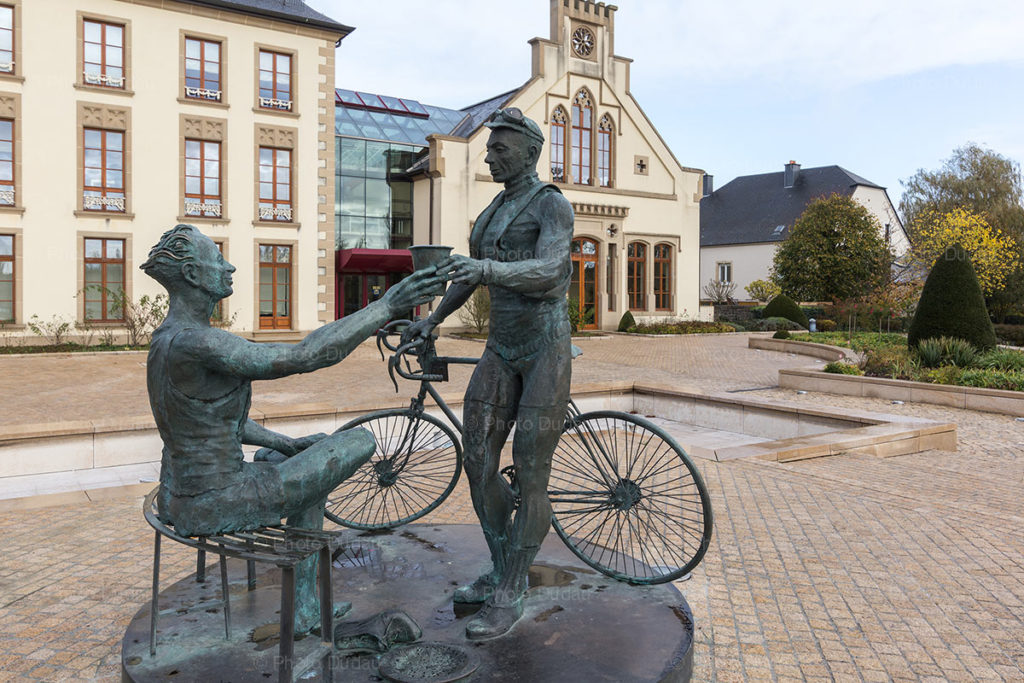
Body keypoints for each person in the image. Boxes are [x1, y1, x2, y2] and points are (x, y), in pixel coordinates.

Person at [141, 224, 443, 633]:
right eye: (218, 259)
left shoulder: (165, 338)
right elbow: (306, 355)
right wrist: (387, 306)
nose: (229, 267)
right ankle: (303, 609)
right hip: (216, 501)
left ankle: (305, 604)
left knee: (305, 453)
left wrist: (287, 442)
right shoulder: (200, 343)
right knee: (357, 441)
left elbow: (215, 422)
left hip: (177, 496)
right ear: (193, 274)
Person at [404, 108, 574, 639]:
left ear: (530, 152)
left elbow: (553, 270)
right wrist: (432, 319)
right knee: (477, 458)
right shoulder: (492, 211)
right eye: (489, 148)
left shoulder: (551, 204)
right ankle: (501, 566)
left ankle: (513, 585)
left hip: (545, 348)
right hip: (501, 347)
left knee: (531, 468)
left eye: (500, 148)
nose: (490, 157)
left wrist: (486, 268)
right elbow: (470, 276)